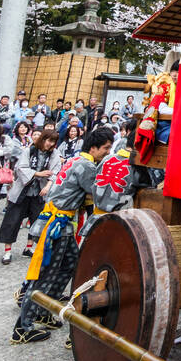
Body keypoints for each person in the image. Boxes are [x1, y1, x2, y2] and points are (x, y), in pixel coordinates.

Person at [11, 126, 115, 344]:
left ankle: (42, 311)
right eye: (105, 148)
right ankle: (23, 327)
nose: (107, 152)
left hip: (60, 224)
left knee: (69, 265)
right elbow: (99, 196)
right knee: (44, 277)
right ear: (94, 147)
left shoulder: (76, 159)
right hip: (56, 228)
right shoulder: (86, 165)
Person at [0, 128, 60, 264]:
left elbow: (55, 171)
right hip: (22, 191)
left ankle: (29, 247)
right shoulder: (29, 150)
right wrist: (38, 174)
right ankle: (7, 252)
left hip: (39, 193)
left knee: (37, 221)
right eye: (48, 140)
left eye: (53, 142)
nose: (50, 144)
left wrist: (48, 186)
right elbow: (20, 168)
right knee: (12, 221)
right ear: (43, 139)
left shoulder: (54, 154)